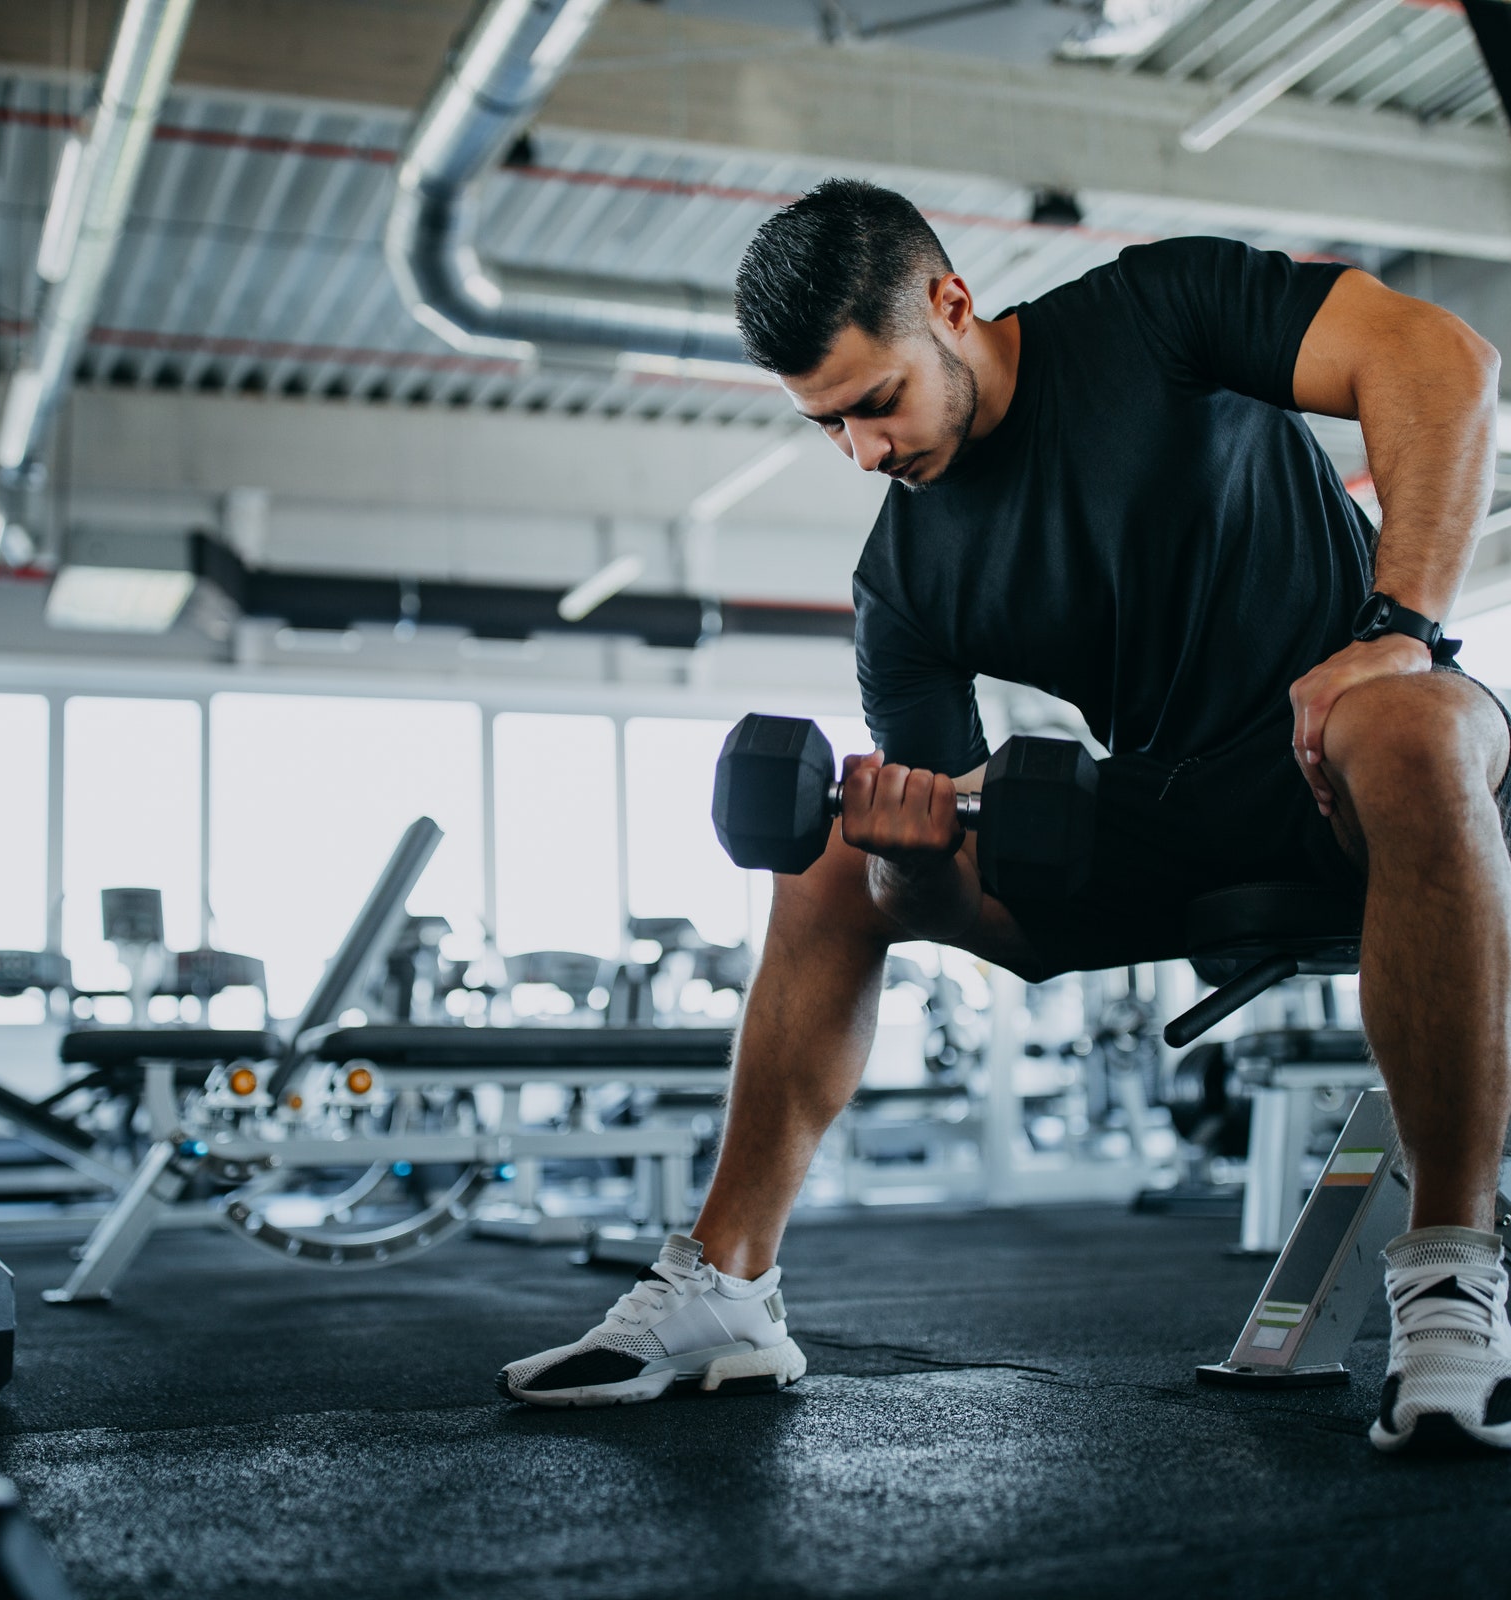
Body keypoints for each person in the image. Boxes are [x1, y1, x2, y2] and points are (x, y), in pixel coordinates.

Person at [498, 181, 1511, 1451]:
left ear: (951, 304)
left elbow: (1444, 360)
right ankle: (727, 1285)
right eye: (828, 427)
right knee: (830, 857)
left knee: (1403, 721)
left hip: (1366, 758)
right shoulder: (905, 580)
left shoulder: (1157, 310)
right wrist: (909, 869)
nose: (864, 453)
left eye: (874, 403)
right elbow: (952, 885)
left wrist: (1394, 633)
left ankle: (1451, 1282)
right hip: (1167, 807)